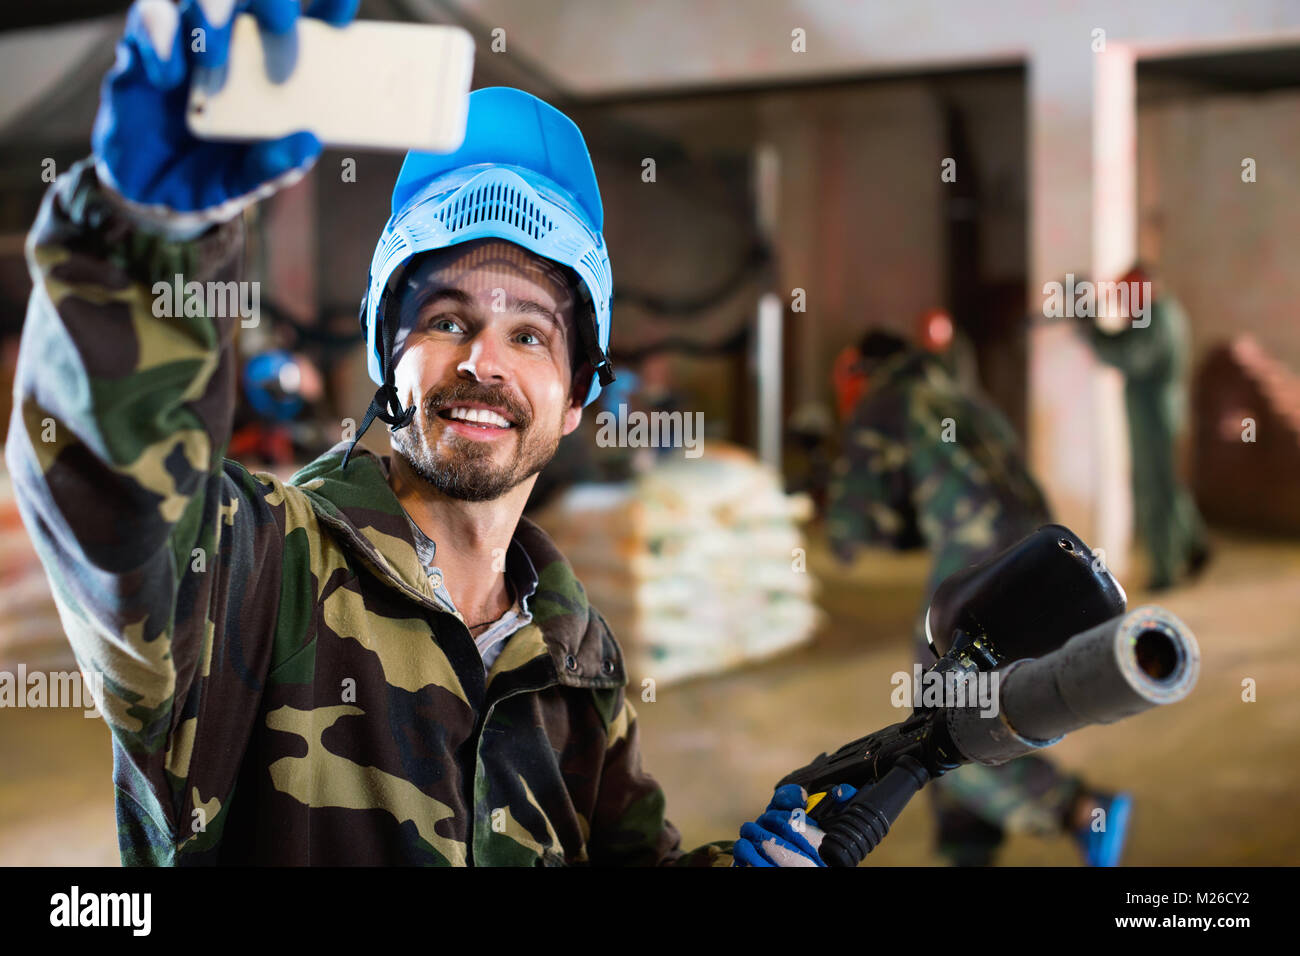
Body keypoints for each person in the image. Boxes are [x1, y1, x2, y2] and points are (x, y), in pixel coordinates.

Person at [7, 0, 828, 866]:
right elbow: (110, 496)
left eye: (531, 335)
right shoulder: (256, 574)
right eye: (445, 320)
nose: (484, 361)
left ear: (581, 391)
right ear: (383, 353)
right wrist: (145, 234)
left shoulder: (574, 653)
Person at [826, 329, 1130, 866]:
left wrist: (835, 524)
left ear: (865, 369)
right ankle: (968, 846)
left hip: (975, 556)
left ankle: (1078, 809)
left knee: (943, 715)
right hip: (1038, 553)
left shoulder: (883, 400)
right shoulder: (958, 394)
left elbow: (853, 522)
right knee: (974, 695)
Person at [1077, 264, 1211, 591]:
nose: (1122, 300)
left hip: (1155, 418)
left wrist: (1090, 330)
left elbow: (1129, 356)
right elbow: (1124, 340)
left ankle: (1165, 572)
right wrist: (1093, 325)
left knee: (1156, 493)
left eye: (1127, 292)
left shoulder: (1159, 317)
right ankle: (1195, 547)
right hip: (1156, 415)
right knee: (1168, 487)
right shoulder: (1155, 314)